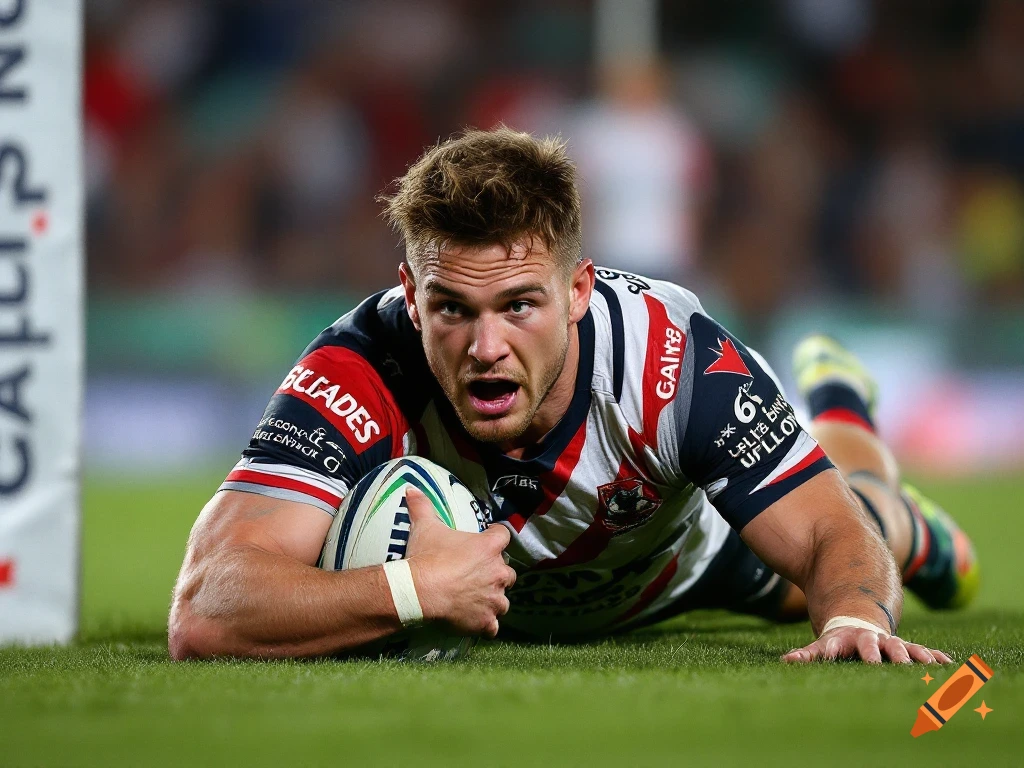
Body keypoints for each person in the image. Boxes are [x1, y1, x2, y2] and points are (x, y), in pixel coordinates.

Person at [168, 127, 976, 663]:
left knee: (863, 520)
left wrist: (854, 622)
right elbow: (206, 606)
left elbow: (828, 533)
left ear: (579, 291)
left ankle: (843, 415)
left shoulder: (671, 363)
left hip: (677, 567)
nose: (486, 348)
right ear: (410, 299)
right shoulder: (360, 366)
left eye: (519, 304)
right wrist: (411, 590)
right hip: (490, 595)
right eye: (452, 309)